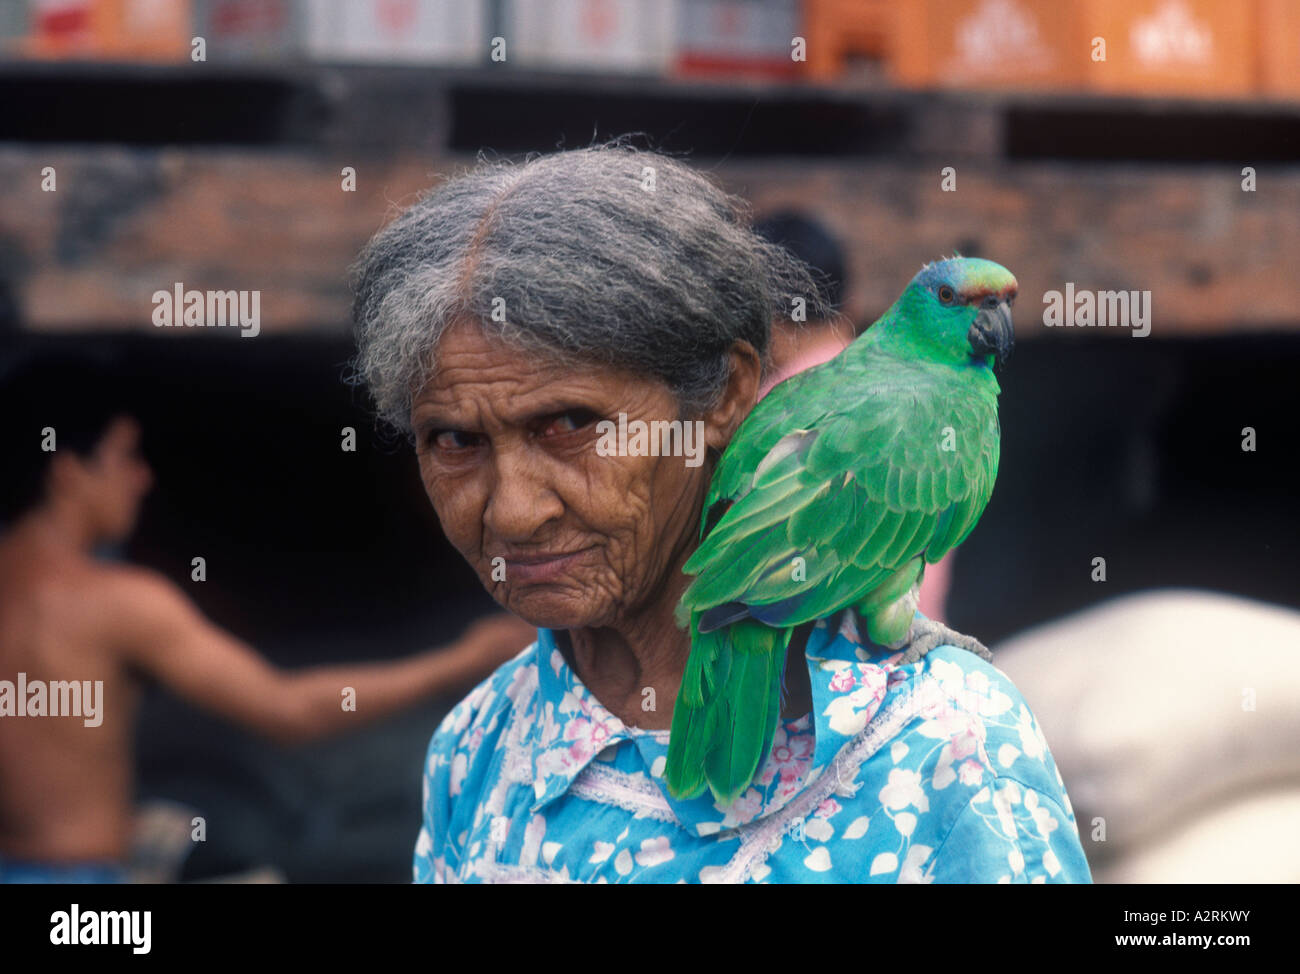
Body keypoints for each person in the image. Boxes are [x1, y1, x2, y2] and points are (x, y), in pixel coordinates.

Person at [351, 141, 1092, 883]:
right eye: (453, 439)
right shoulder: (477, 747)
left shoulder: (947, 745)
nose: (513, 512)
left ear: (726, 396)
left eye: (570, 425)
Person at [0, 353, 536, 883]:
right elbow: (287, 710)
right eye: (125, 456)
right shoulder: (117, 603)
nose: (140, 478)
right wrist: (460, 661)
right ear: (68, 471)